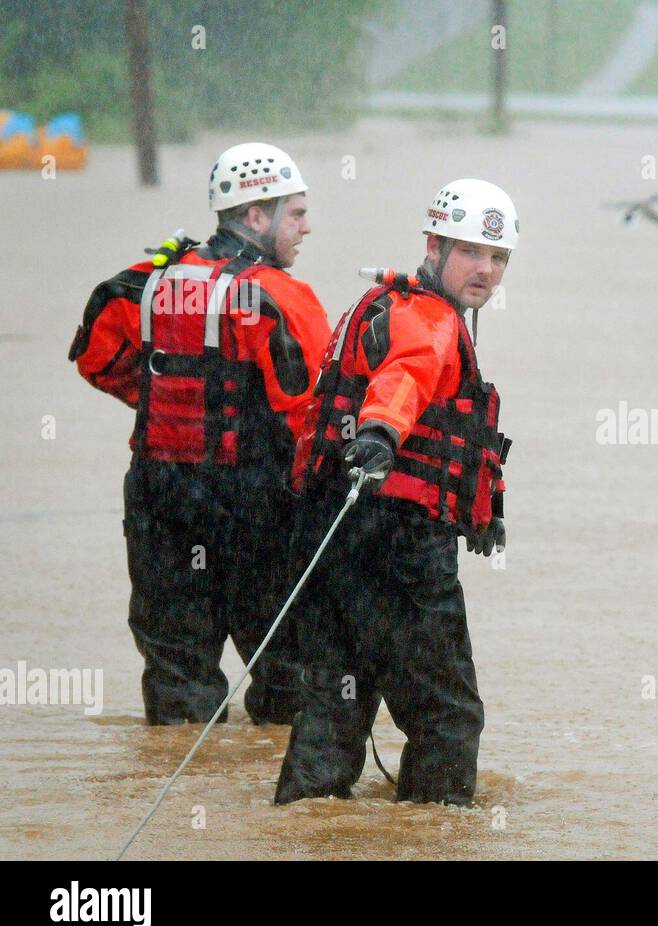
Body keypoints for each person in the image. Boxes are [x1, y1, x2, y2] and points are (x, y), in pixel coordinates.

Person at [68, 142, 331, 725]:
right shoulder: (283, 297)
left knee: (176, 671)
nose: (308, 226)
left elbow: (93, 358)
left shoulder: (146, 281)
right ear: (256, 216)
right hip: (255, 509)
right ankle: (278, 804)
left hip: (158, 501)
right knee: (289, 670)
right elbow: (314, 412)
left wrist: (168, 401)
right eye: (296, 213)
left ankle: (176, 778)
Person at [274, 178, 516, 806]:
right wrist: (382, 434)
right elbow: (404, 378)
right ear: (433, 246)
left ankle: (302, 831)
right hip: (399, 544)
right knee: (448, 716)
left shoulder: (377, 304)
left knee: (334, 707)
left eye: (498, 258)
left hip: (334, 531)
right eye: (470, 253)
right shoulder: (427, 320)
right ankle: (435, 838)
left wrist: (477, 508)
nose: (486, 270)